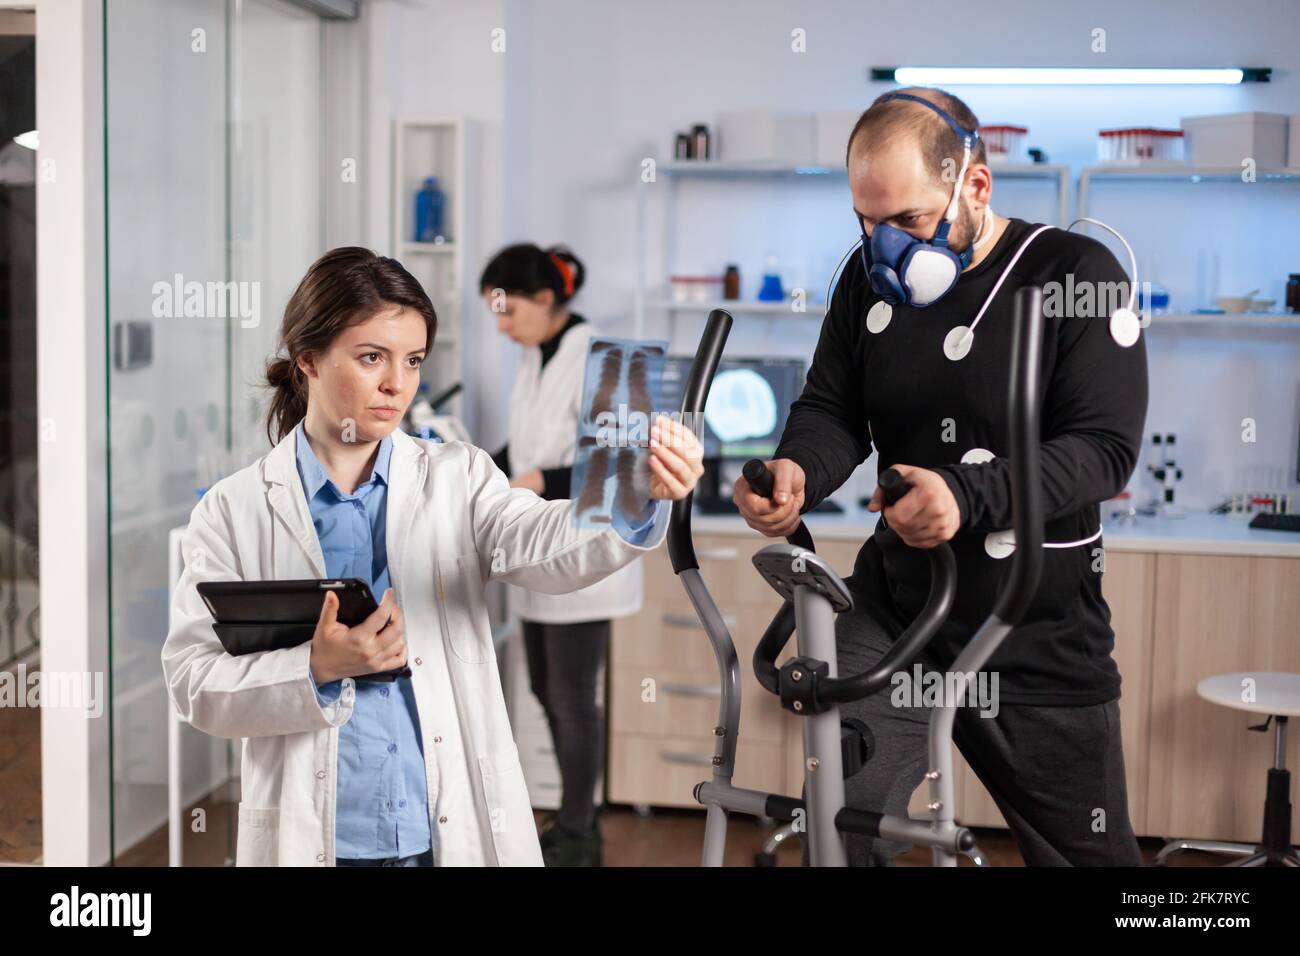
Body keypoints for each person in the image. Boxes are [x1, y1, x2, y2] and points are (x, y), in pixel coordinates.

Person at [162, 246, 703, 867]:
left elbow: (541, 541)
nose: (398, 384)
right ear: (307, 358)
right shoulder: (234, 510)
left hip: (442, 834)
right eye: (372, 358)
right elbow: (192, 680)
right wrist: (315, 665)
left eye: (413, 360)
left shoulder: (459, 477)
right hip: (316, 839)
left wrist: (636, 491)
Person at [735, 88, 1149, 866]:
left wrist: (965, 496)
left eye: (908, 223)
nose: (883, 248)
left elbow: (1103, 449)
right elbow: (832, 409)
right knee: (847, 829)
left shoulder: (1073, 274)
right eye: (866, 224)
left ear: (975, 187)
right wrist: (797, 470)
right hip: (896, 613)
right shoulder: (866, 283)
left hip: (1031, 628)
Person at [480, 243, 633, 866]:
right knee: (545, 686)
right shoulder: (537, 355)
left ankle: (581, 832)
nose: (501, 326)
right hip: (538, 549)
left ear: (545, 299)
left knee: (572, 696)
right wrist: (474, 470)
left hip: (584, 555)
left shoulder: (607, 358)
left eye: (508, 310)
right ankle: (571, 819)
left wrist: (539, 479)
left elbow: (619, 462)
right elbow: (528, 442)